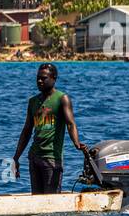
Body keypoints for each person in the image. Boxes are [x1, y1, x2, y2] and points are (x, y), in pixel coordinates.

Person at [12, 63, 84, 195]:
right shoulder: (33, 101)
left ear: (54, 78)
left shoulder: (62, 99)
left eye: (44, 78)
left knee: (51, 200)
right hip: (34, 157)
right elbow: (27, 130)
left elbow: (70, 123)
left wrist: (76, 143)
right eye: (38, 78)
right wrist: (16, 157)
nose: (39, 81)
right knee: (38, 199)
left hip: (51, 158)